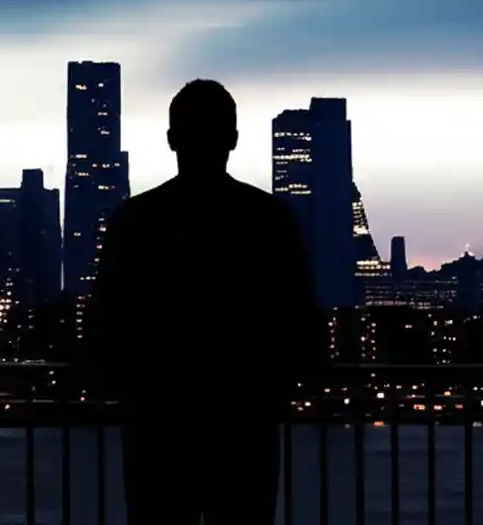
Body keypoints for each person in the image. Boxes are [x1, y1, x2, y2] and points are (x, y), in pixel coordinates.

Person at [90, 79, 323, 524]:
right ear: (232, 139)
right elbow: (301, 317)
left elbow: (105, 321)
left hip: (158, 423)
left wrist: (122, 390)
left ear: (172, 139)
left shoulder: (136, 219)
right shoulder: (268, 217)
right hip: (244, 423)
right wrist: (281, 387)